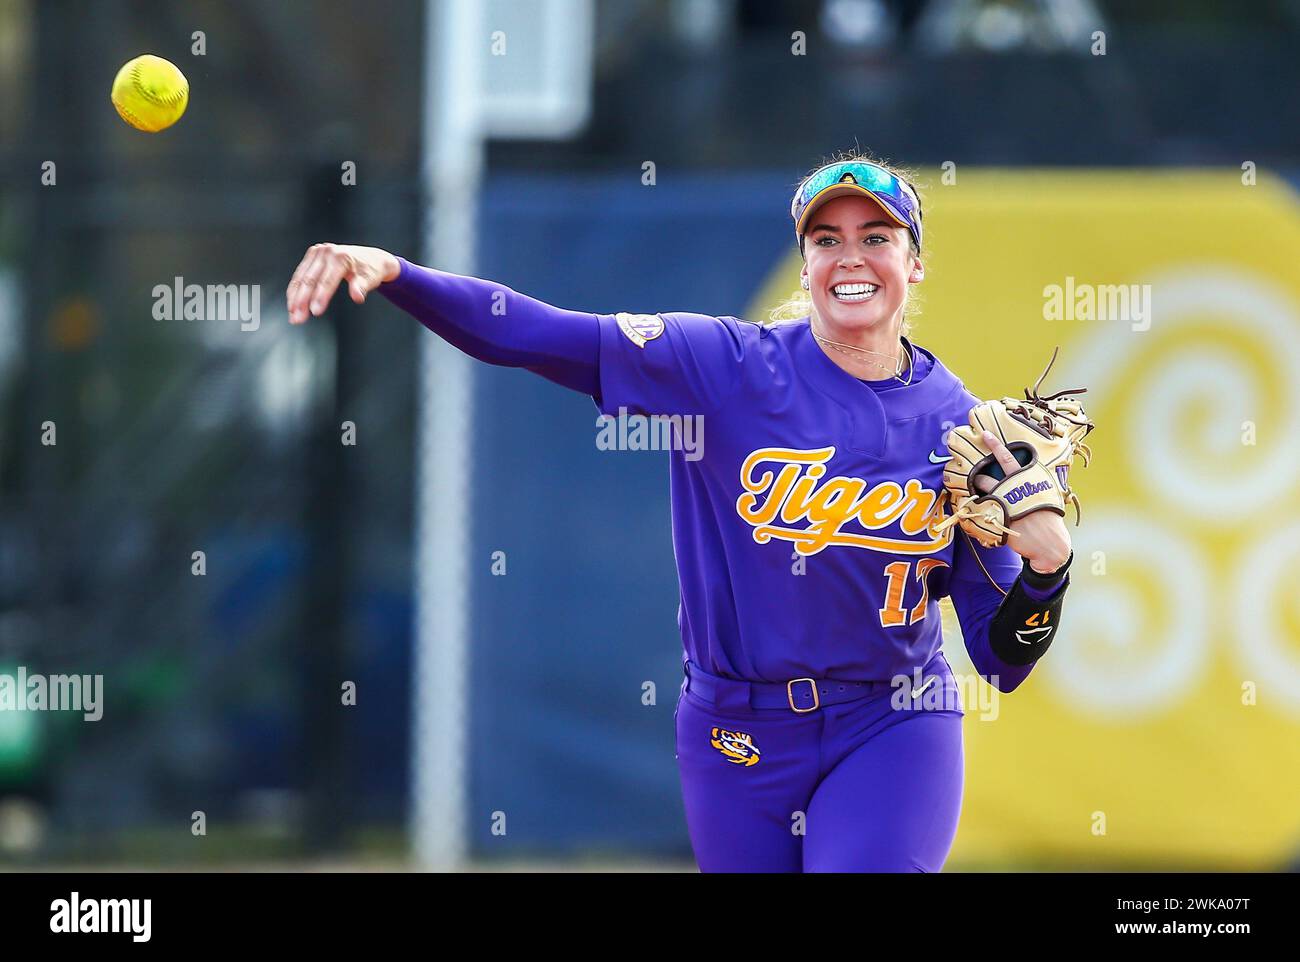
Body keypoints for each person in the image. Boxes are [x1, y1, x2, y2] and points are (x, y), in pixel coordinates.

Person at [284, 152, 1075, 872]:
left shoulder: (963, 433)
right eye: (826, 239)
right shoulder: (724, 366)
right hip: (736, 731)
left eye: (876, 236)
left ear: (914, 262)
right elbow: (540, 336)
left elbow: (1002, 660)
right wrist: (396, 273)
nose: (851, 257)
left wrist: (1047, 570)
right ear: (804, 267)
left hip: (892, 723)